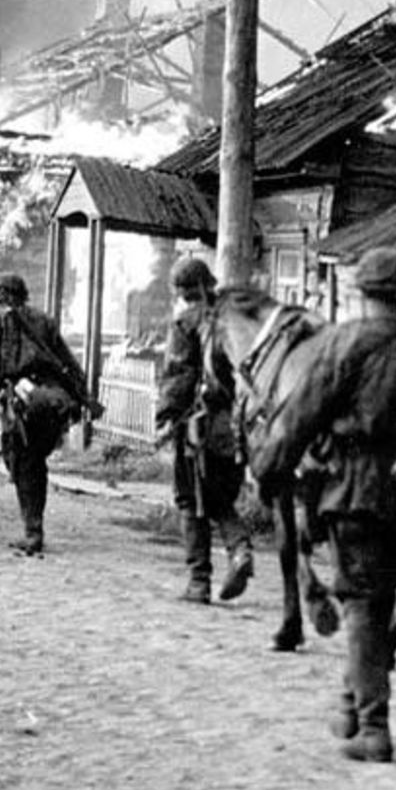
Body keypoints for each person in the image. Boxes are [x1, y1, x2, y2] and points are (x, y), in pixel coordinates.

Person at [253, 247, 396, 763]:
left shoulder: (343, 344)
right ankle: (351, 707)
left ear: (362, 291)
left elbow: (298, 419)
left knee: (361, 602)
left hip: (354, 488)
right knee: (379, 599)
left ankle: (374, 728)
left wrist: (268, 469)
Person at [0, 274, 103, 555]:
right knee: (33, 461)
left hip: (23, 401)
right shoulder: (44, 321)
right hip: (53, 400)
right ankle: (34, 526)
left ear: (0, 296)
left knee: (23, 461)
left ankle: (33, 532)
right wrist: (84, 398)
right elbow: (67, 362)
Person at [155, 256, 253, 604]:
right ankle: (240, 548)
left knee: (189, 498)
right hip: (237, 425)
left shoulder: (185, 322)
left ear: (181, 290)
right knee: (221, 497)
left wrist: (166, 418)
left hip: (199, 425)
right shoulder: (235, 317)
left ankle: (199, 582)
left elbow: (179, 375)